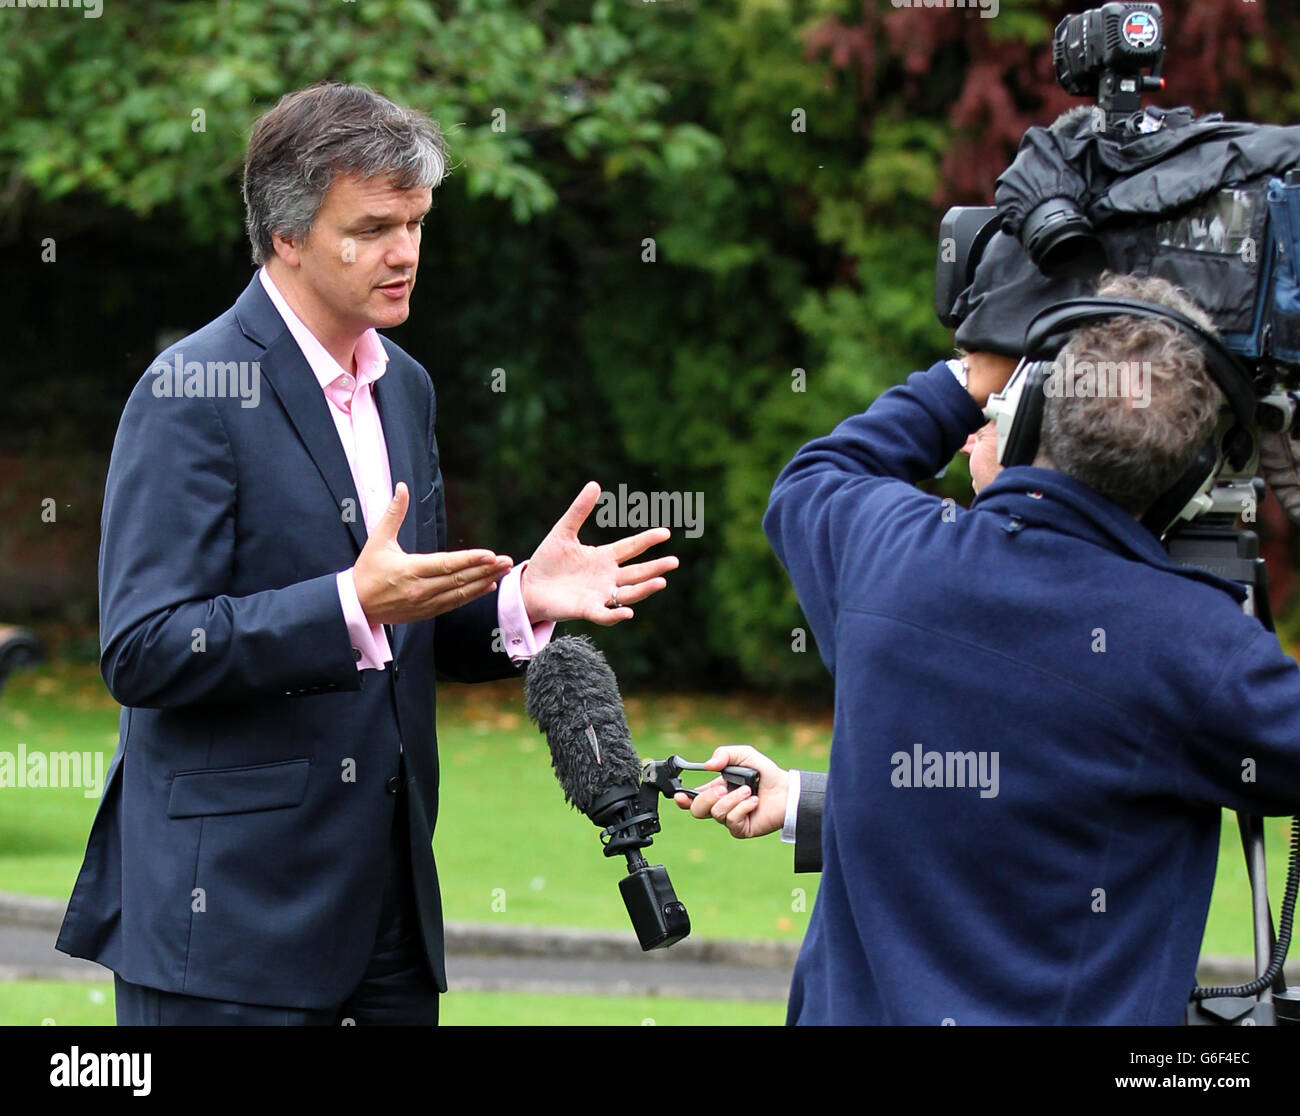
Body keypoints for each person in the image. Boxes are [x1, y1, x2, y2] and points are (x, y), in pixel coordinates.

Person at [55, 82, 677, 1026]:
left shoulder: (405, 387)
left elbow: (401, 617)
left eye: (418, 222)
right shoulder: (191, 389)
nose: (406, 253)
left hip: (389, 917)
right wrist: (348, 604)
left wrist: (516, 602)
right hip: (227, 931)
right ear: (287, 235)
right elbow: (143, 647)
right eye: (375, 226)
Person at [680, 271, 1300, 1025]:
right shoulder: (1195, 647)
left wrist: (968, 376)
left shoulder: (889, 551)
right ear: (1193, 475)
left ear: (1031, 413)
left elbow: (815, 477)